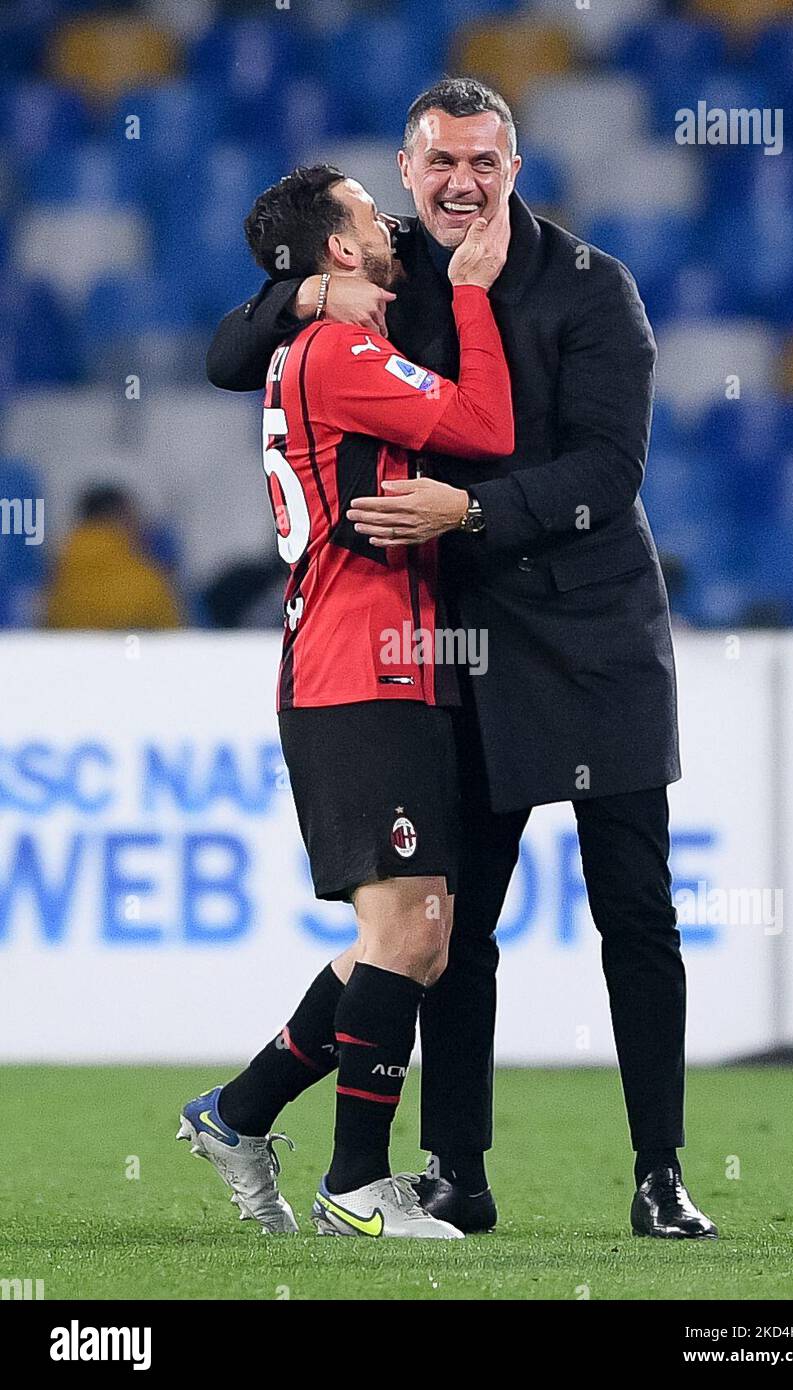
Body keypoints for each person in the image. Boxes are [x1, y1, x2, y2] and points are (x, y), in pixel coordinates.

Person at [206, 79, 718, 1241]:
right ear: (406, 167)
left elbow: (609, 476)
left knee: (634, 914)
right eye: (439, 162)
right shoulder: (385, 284)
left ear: (513, 166)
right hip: (465, 647)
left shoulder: (593, 289)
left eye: (482, 162)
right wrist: (303, 286)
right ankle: (455, 1170)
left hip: (595, 640)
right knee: (456, 927)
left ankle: (660, 1173)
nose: (459, 183)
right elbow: (231, 354)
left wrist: (472, 516)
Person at [179, 165, 514, 1238]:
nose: (389, 225)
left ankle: (237, 1114)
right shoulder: (338, 347)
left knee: (410, 933)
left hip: (381, 665)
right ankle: (356, 1184)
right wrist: (468, 293)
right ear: (334, 249)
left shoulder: (322, 340)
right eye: (370, 213)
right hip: (356, 667)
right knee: (411, 928)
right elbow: (485, 427)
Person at [44, 485, 182, 630]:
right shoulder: (148, 583)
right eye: (133, 517)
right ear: (121, 517)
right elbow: (172, 640)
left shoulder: (49, 577)